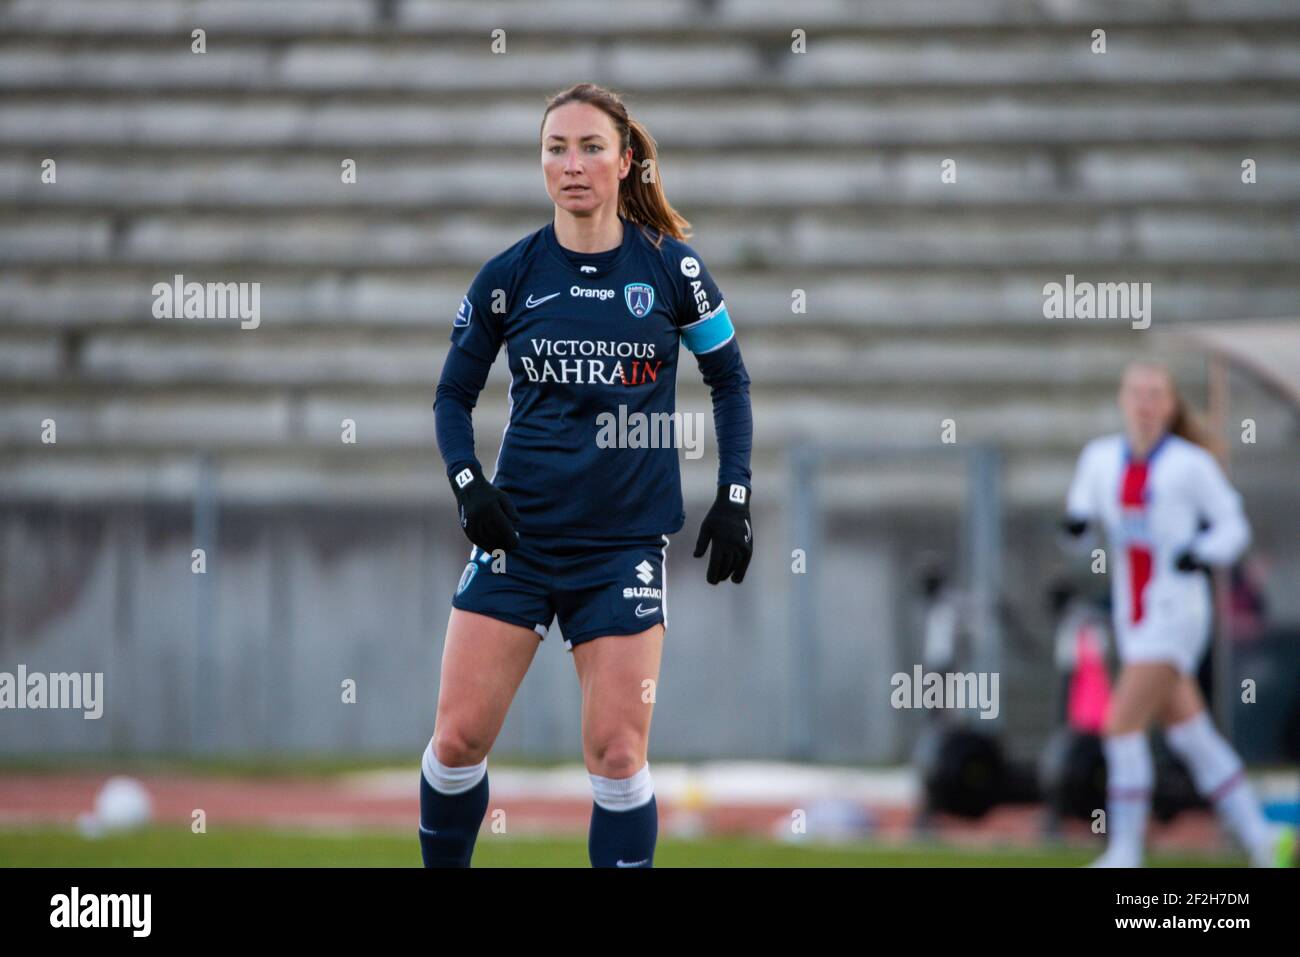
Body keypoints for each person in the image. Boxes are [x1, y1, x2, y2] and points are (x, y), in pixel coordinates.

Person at [421, 83, 754, 867]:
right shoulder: (509, 275)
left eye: (591, 147)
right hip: (519, 539)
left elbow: (730, 379)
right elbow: (451, 395)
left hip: (623, 548)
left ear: (625, 158)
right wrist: (468, 483)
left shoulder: (673, 270)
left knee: (615, 753)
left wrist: (734, 494)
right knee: (457, 739)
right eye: (556, 148)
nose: (572, 164)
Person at [1062, 360, 1291, 867]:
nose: (1145, 404)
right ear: (1123, 400)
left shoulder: (1190, 465)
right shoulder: (1099, 459)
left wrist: (1200, 551)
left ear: (1169, 405)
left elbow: (1234, 529)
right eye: (1137, 393)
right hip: (1134, 616)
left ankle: (1124, 852)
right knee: (1191, 734)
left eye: (1155, 394)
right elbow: (1079, 521)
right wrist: (1077, 530)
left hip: (1177, 613)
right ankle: (1262, 840)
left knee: (1120, 724)